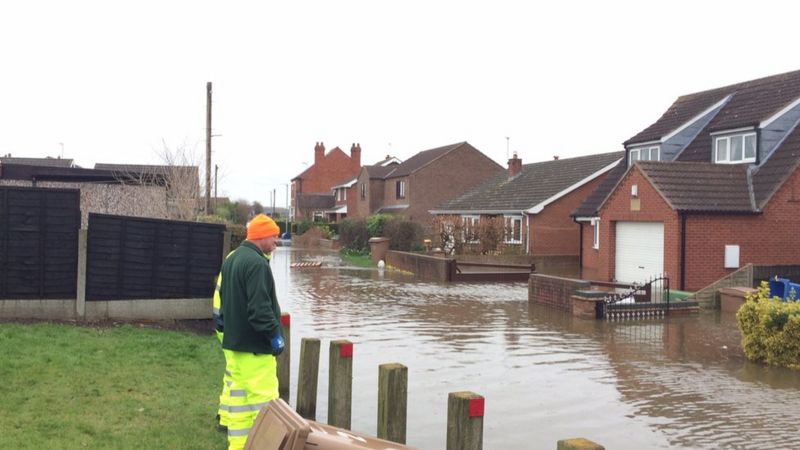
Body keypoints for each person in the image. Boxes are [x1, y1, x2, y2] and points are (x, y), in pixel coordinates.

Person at [218, 214, 285, 450]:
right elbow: (260, 309)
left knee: (239, 406)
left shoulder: (232, 259)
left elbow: (224, 300)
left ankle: (238, 446)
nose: (277, 241)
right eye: (274, 236)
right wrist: (274, 335)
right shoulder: (257, 264)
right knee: (266, 407)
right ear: (261, 236)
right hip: (255, 349)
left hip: (235, 346)